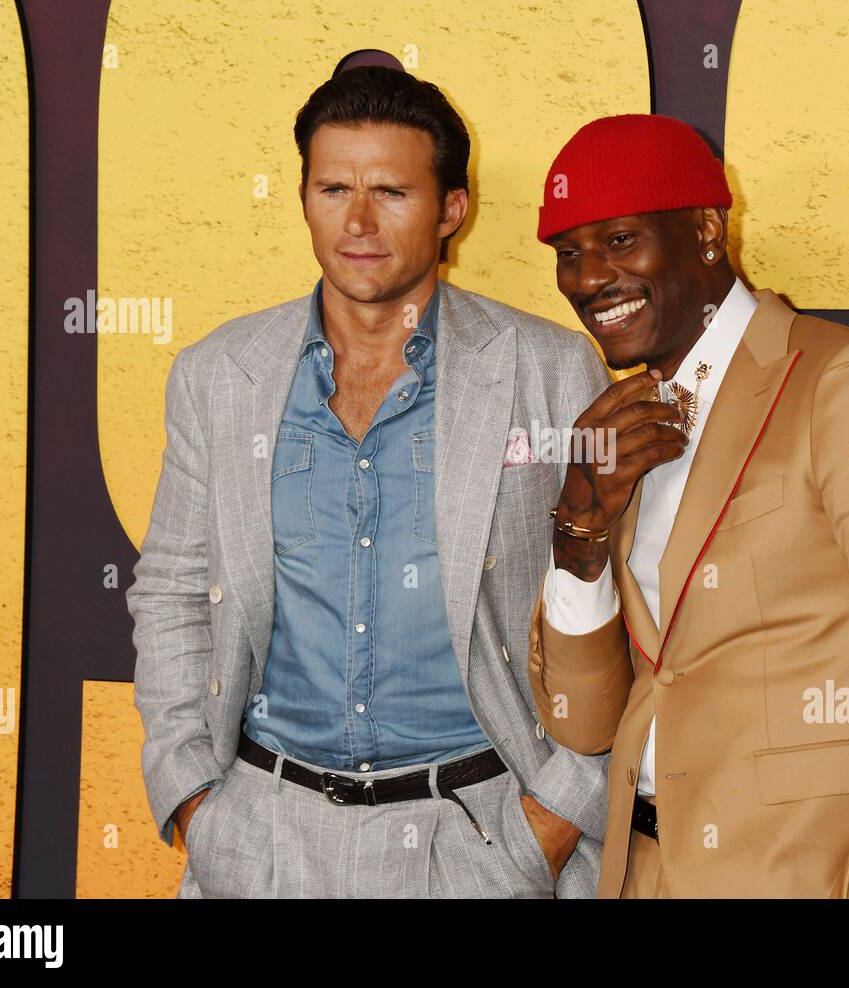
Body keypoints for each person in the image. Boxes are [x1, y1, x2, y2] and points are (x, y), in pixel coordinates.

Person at [127, 63, 612, 898]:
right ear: (305, 197)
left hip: (480, 834)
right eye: (332, 189)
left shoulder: (549, 369)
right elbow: (171, 588)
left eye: (391, 191)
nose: (357, 221)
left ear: (452, 208)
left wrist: (558, 816)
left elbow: (621, 600)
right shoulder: (219, 374)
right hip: (263, 840)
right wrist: (193, 801)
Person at [527, 113, 849, 897]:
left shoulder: (842, 381)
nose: (587, 280)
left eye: (619, 241)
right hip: (636, 871)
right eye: (567, 254)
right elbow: (583, 723)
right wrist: (578, 535)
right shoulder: (622, 422)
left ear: (709, 231)